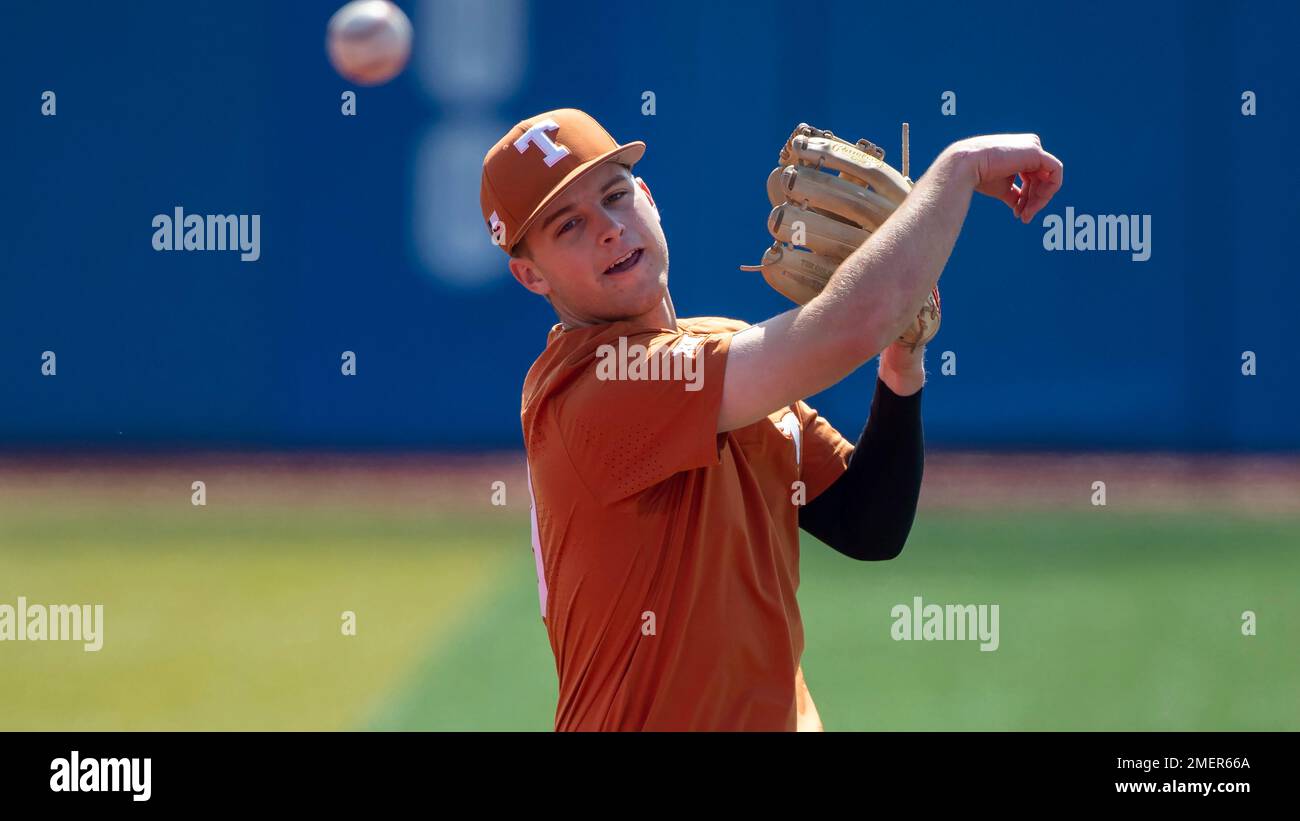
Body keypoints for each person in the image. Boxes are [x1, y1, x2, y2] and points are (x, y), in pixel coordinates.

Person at [479, 108, 1062, 731]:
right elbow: (847, 326)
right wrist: (957, 171)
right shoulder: (593, 390)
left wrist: (901, 361)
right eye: (569, 226)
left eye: (616, 196)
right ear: (530, 274)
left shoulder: (720, 355)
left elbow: (867, 525)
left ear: (648, 197)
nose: (608, 229)